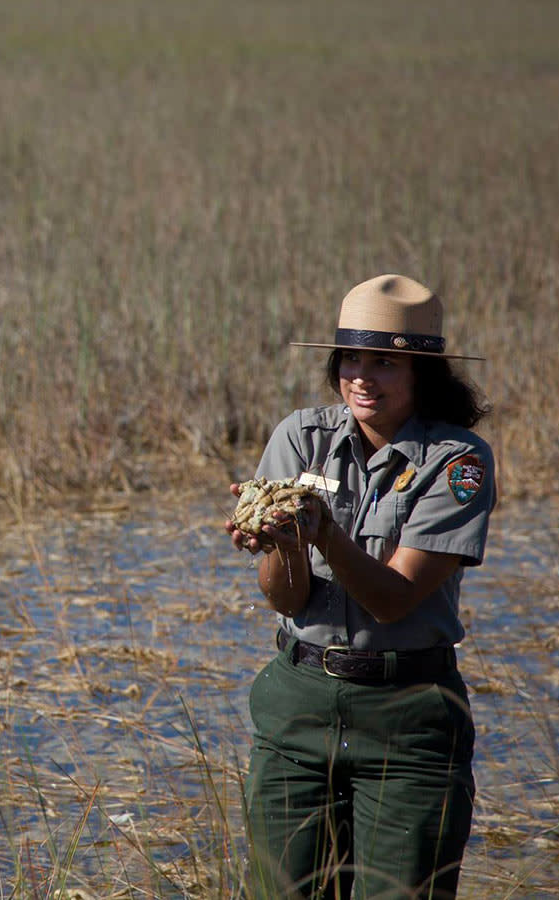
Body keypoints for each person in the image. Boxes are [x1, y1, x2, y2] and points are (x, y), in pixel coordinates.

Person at [224, 274, 495, 899]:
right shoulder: (301, 437)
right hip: (297, 707)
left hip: (409, 719)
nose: (361, 377)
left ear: (423, 373)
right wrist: (281, 541)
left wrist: (324, 535)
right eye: (351, 357)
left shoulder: (458, 461)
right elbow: (286, 597)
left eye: (385, 361)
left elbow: (395, 597)